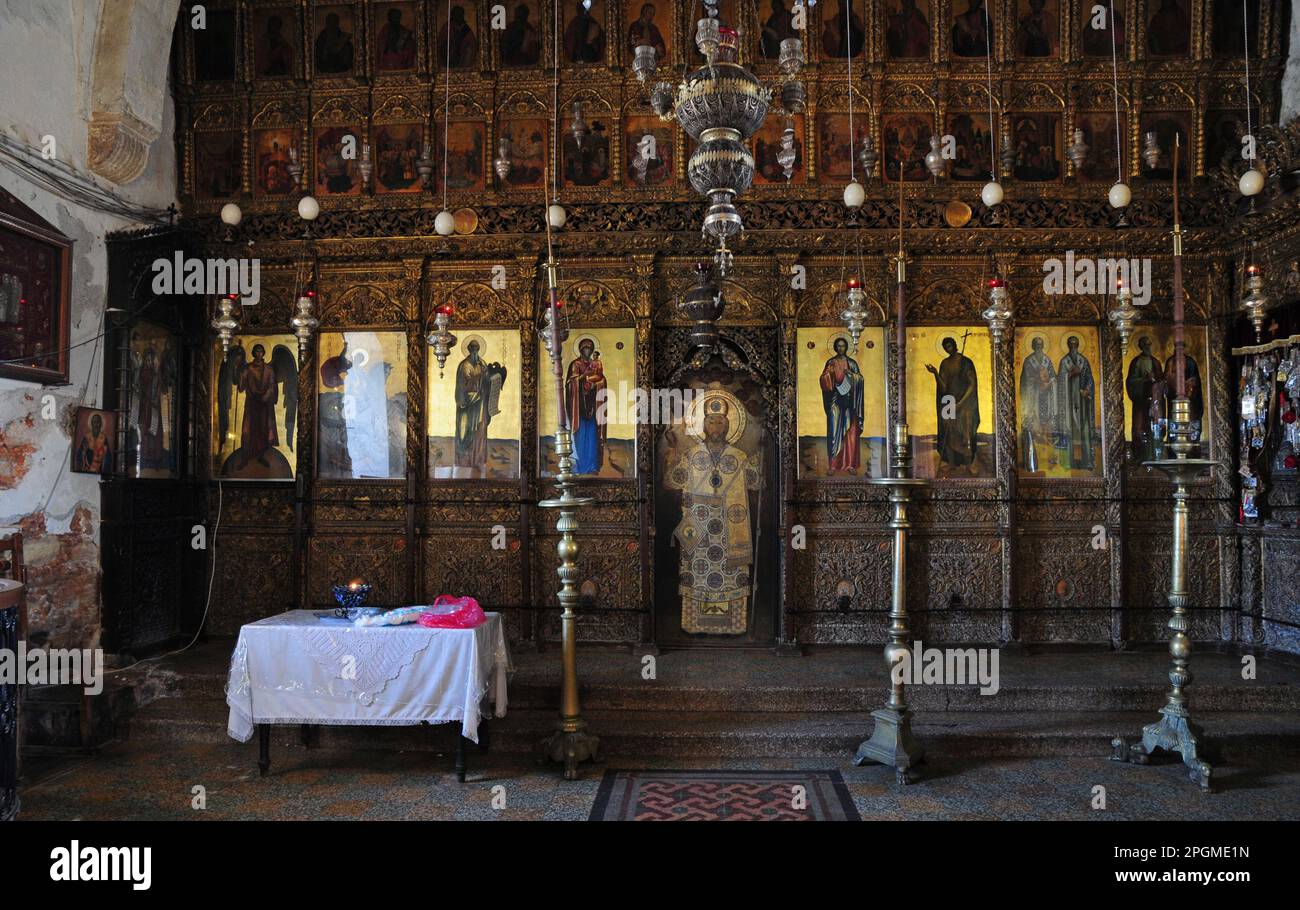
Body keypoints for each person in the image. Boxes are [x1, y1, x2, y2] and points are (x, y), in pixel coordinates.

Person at [664, 399, 760, 635]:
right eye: (711, 420)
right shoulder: (691, 455)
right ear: (703, 425)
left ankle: (732, 626)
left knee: (729, 574)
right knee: (697, 574)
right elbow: (671, 481)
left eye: (720, 421)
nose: (716, 425)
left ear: (728, 426)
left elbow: (756, 483)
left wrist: (759, 459)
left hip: (729, 527)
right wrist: (674, 454)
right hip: (699, 528)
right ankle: (696, 625)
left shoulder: (739, 456)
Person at [926, 336, 981, 473]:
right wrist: (935, 374)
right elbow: (943, 388)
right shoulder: (944, 364)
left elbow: (972, 385)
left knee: (966, 434)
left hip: (966, 404)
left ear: (955, 345)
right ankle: (951, 463)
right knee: (949, 433)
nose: (948, 349)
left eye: (949, 346)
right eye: (945, 348)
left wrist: (961, 402)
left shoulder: (966, 362)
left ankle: (969, 465)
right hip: (949, 402)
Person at [819, 337, 865, 474]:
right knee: (834, 432)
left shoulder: (852, 363)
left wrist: (852, 376)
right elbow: (823, 380)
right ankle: (833, 465)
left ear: (846, 347)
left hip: (850, 400)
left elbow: (860, 379)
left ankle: (850, 465)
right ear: (835, 347)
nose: (840, 348)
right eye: (838, 346)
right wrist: (829, 374)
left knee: (850, 432)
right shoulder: (831, 362)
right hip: (835, 400)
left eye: (843, 346)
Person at [566, 338, 608, 474]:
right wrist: (582, 377)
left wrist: (597, 384)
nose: (587, 351)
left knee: (592, 436)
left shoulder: (595, 364)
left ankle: (592, 467)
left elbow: (601, 379)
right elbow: (570, 383)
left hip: (593, 405)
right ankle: (579, 467)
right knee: (580, 435)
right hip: (579, 408)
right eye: (585, 348)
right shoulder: (575, 364)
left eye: (590, 349)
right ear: (580, 349)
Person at [236, 344, 279, 470]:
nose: (259, 353)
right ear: (253, 353)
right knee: (247, 429)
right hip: (251, 404)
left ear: (264, 353)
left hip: (264, 404)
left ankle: (261, 455)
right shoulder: (247, 368)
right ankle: (244, 458)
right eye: (257, 351)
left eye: (261, 351)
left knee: (263, 429)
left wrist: (267, 395)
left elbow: (272, 385)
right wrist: (239, 370)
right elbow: (241, 387)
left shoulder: (269, 369)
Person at [1057, 336, 1096, 469]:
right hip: (1068, 404)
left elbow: (1090, 380)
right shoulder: (1064, 362)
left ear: (1078, 345)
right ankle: (1068, 462)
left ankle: (1088, 461)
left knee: (1084, 431)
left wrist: (1087, 390)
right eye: (1071, 344)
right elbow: (1059, 382)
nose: (1073, 346)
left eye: (1075, 344)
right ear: (1068, 345)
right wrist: (1070, 375)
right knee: (1069, 430)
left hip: (1082, 402)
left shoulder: (1083, 361)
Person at [1019, 336, 1056, 469]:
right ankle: (1032, 461)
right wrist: (1037, 383)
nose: (1039, 347)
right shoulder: (1029, 361)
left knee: (1047, 427)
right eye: (1037, 345)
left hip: (1046, 399)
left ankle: (1050, 460)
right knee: (1033, 427)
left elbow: (1053, 376)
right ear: (1033, 346)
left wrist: (1048, 383)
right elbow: (1025, 382)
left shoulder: (1047, 360)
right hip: (1033, 400)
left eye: (1041, 345)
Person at [454, 339, 491, 472]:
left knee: (480, 429)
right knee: (466, 431)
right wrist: (480, 375)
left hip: (480, 403)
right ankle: (465, 461)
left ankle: (479, 460)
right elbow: (463, 385)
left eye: (477, 347)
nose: (475, 350)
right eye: (472, 347)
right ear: (469, 349)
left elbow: (486, 381)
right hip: (467, 405)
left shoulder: (482, 363)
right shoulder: (464, 365)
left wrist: (488, 375)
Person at [1126, 335, 1161, 461]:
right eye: (1145, 344)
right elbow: (1131, 381)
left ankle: (1154, 456)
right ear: (1141, 346)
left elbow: (1162, 381)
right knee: (1139, 429)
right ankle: (1139, 458)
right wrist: (1144, 379)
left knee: (1153, 428)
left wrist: (1155, 380)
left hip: (1154, 402)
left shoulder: (1155, 362)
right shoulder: (1136, 362)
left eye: (1149, 344)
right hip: (1140, 400)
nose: (1148, 347)